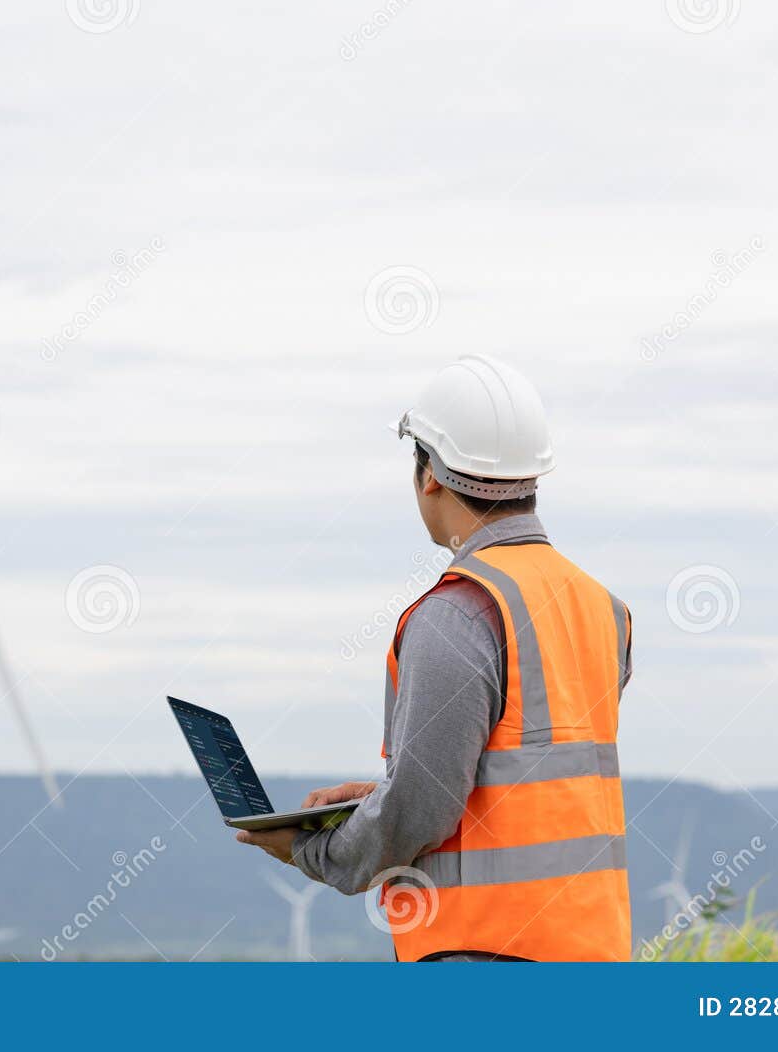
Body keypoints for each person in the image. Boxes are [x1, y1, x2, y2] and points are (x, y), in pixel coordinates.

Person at [236, 354, 633, 961]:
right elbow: (528, 778)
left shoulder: (459, 613)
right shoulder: (603, 608)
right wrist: (384, 791)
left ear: (429, 475)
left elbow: (422, 810)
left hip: (485, 954)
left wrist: (310, 849)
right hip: (589, 951)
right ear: (533, 478)